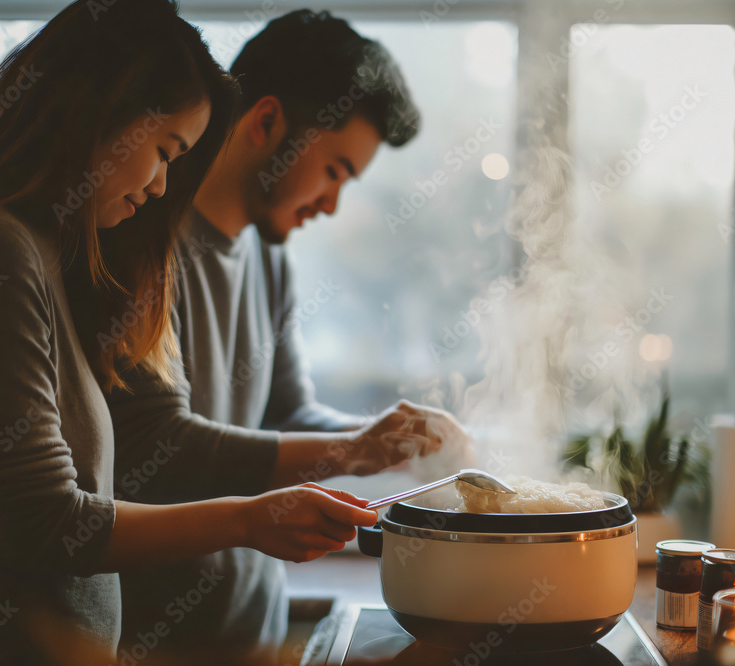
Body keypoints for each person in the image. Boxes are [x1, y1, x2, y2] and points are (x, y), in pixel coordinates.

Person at [0, 2, 376, 664]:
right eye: (165, 151)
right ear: (101, 115)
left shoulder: (39, 248)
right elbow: (43, 521)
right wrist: (249, 518)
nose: (161, 185)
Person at [105, 9, 472, 664]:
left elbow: (287, 415)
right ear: (267, 121)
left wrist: (396, 444)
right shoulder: (143, 239)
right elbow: (158, 447)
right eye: (334, 170)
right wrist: (352, 450)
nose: (331, 204)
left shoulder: (267, 253)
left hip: (251, 629)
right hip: (147, 643)